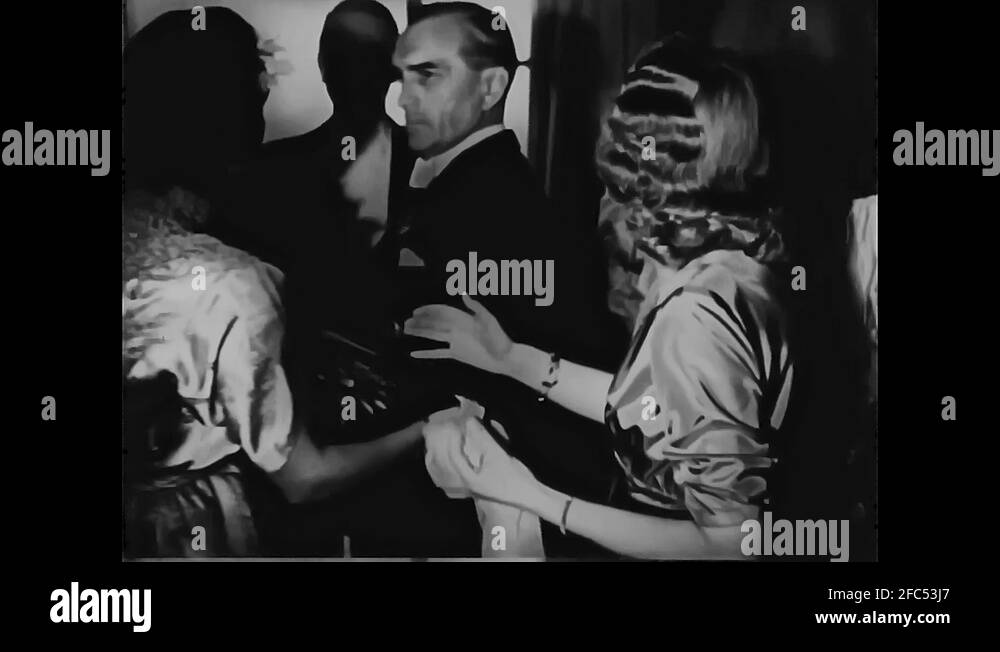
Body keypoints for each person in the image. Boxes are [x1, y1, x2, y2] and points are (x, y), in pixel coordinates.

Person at [405, 34, 795, 559]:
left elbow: (732, 545)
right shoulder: (734, 269)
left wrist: (532, 496)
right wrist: (513, 359)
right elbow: (663, 404)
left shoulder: (695, 314)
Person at [123, 7, 426, 558]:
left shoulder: (440, 170)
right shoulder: (263, 181)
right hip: (279, 461)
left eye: (369, 56)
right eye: (339, 54)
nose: (351, 70)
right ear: (322, 63)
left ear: (391, 68)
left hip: (387, 425)